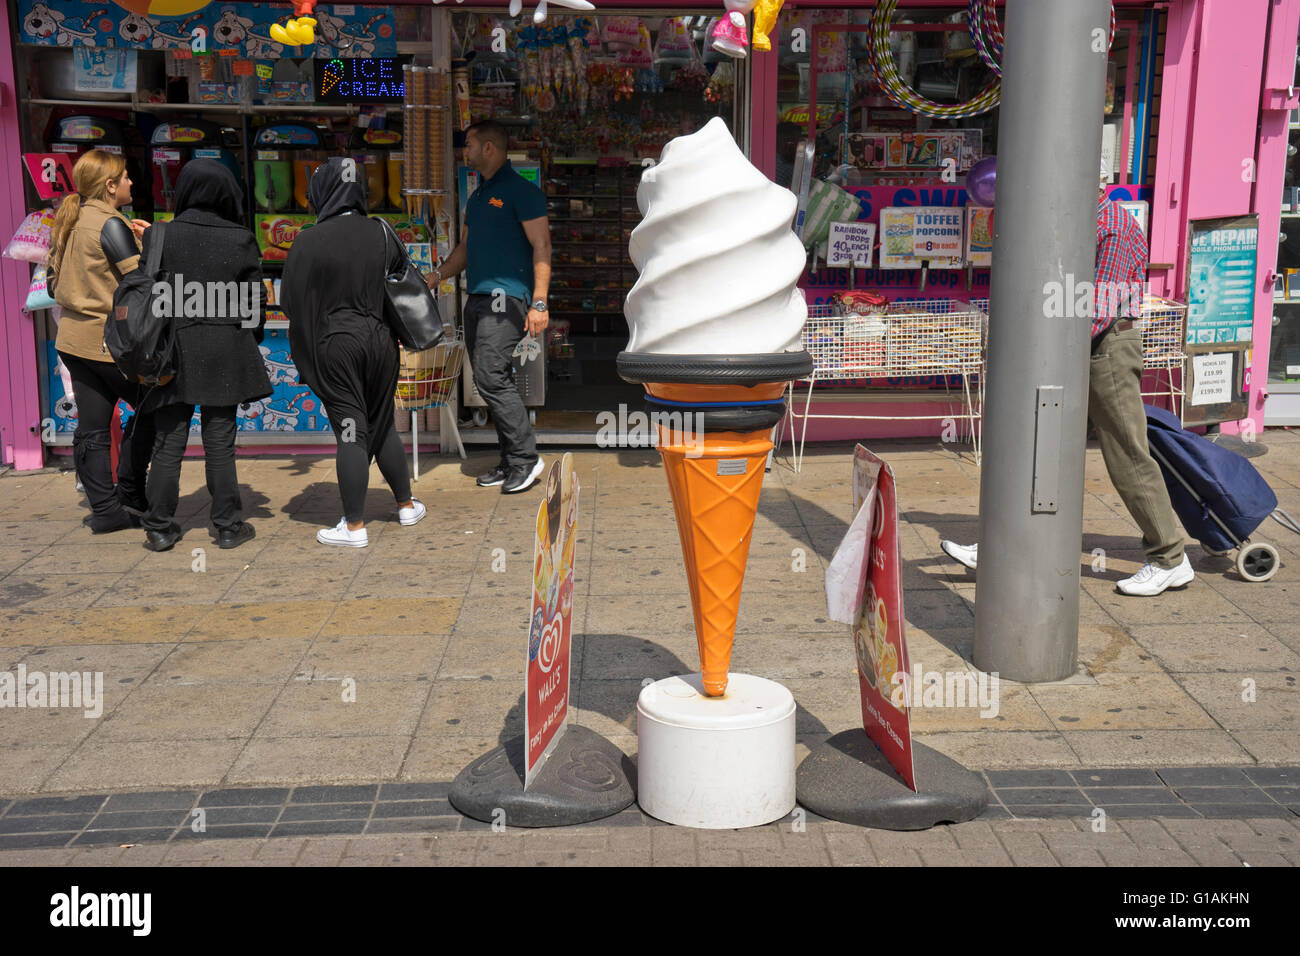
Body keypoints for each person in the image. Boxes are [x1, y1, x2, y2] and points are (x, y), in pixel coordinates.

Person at [941, 164, 1193, 597]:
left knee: (1126, 453)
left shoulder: (1111, 223)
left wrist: (1036, 343)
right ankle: (1003, 549)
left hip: (1107, 349)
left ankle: (1170, 557)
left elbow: (1098, 309)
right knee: (1041, 450)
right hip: (1077, 346)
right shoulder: (1077, 221)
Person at [281, 157, 425, 548]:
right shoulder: (381, 232)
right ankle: (406, 505)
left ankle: (355, 526)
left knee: (350, 430)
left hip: (336, 345)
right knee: (381, 424)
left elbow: (289, 302)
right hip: (381, 342)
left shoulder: (309, 239)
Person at [136, 160, 272, 552]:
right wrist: (247, 336)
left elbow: (150, 296)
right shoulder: (240, 238)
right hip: (224, 349)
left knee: (168, 442)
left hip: (172, 351)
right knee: (220, 442)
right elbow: (254, 305)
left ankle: (159, 527)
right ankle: (228, 526)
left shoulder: (161, 236)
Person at [428, 119, 549, 494]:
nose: (465, 152)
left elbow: (542, 246)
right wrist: (437, 276)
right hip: (477, 298)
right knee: (489, 379)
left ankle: (526, 460)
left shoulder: (522, 192)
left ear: (489, 148)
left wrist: (540, 303)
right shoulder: (478, 197)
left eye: (469, 145)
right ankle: (510, 459)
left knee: (491, 376)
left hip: (506, 300)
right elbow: (465, 249)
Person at [47, 149, 156, 534]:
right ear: (110, 186)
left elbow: (50, 282)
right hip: (108, 342)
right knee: (154, 409)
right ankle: (129, 492)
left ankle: (106, 510)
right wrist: (149, 245)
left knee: (92, 429)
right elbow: (139, 284)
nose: (131, 183)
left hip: (73, 340)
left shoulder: (69, 220)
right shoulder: (111, 224)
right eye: (125, 177)